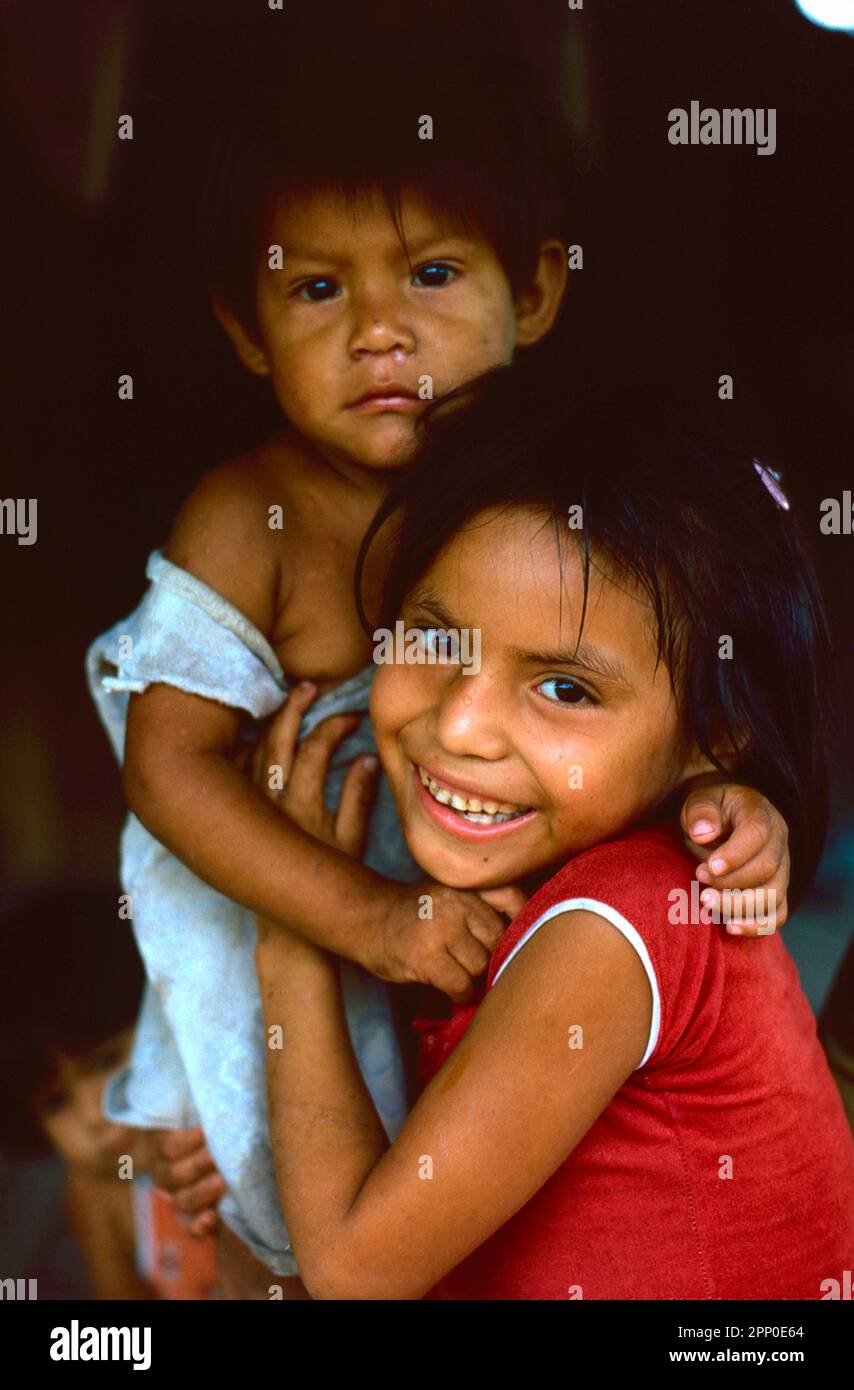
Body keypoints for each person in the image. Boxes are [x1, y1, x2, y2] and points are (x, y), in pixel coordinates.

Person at [86, 41, 791, 1282]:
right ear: (243, 330)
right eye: (313, 291)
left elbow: (666, 697)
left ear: (534, 293)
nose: (377, 333)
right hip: (295, 898)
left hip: (463, 928)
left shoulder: (576, 488)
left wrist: (731, 812)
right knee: (268, 1214)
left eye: (428, 273)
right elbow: (169, 771)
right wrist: (362, 918)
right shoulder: (247, 514)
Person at [247, 366, 854, 1299]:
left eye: (565, 688)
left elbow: (356, 1273)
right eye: (437, 642)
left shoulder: (622, 919)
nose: (458, 728)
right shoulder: (558, 889)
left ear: (717, 732)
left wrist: (291, 922)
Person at [0, 887, 218, 1300]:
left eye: (107, 1061)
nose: (95, 1114)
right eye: (56, 1103)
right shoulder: (98, 1196)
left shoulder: (233, 1139)